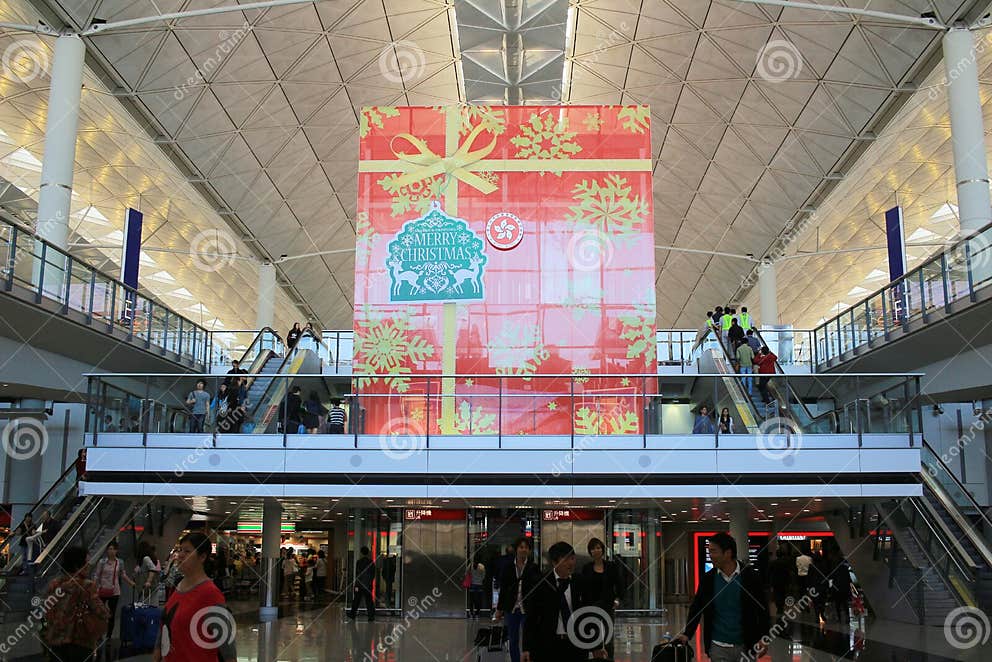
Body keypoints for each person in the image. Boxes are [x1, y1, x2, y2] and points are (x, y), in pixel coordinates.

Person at [675, 532, 769, 662]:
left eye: (714, 551)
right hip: (718, 646)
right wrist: (687, 634)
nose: (710, 556)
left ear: (728, 553)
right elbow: (697, 607)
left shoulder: (749, 577)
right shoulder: (709, 579)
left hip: (746, 645)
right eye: (709, 551)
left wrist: (764, 638)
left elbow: (762, 609)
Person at [154, 532, 237, 662]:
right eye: (180, 550)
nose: (180, 555)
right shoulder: (177, 587)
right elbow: (163, 630)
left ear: (202, 557)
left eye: (187, 551)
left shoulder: (210, 593)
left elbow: (227, 647)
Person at [521, 541, 596, 662]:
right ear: (554, 562)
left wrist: (595, 646)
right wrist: (526, 648)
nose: (571, 563)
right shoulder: (541, 583)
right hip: (548, 645)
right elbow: (531, 617)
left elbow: (588, 614)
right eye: (566, 559)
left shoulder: (580, 582)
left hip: (576, 644)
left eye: (572, 558)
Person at [43, 545, 109, 662]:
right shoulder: (87, 585)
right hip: (80, 642)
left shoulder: (54, 584)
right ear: (77, 565)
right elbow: (101, 612)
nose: (88, 565)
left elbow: (47, 612)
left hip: (56, 642)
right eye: (86, 562)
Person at [495, 537, 540, 662]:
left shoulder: (533, 567)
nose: (523, 549)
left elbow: (537, 590)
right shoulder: (508, 567)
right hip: (512, 608)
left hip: (527, 608)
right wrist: (499, 610)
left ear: (529, 550)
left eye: (526, 547)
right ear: (516, 549)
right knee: (513, 638)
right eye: (521, 547)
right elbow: (503, 590)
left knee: (529, 638)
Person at [580, 537, 624, 659]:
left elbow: (619, 584)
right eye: (593, 548)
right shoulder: (586, 568)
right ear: (590, 551)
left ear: (603, 550)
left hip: (608, 605)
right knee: (595, 637)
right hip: (591, 606)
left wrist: (617, 599)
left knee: (609, 638)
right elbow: (583, 588)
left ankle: (609, 659)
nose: (596, 550)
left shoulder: (611, 566)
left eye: (598, 547)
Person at [93, 540, 135, 640]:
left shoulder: (119, 562)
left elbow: (122, 574)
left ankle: (109, 636)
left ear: (116, 550)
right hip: (102, 589)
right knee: (100, 613)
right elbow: (96, 575)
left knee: (112, 614)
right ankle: (99, 634)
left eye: (113, 549)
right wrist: (94, 588)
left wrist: (131, 582)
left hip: (114, 591)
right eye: (109, 549)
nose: (111, 551)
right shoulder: (102, 562)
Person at [348, 546, 375, 621]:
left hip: (360, 585)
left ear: (361, 553)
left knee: (356, 600)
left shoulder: (359, 562)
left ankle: (352, 614)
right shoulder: (371, 562)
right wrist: (370, 582)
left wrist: (356, 585)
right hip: (368, 585)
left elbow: (358, 574)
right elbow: (373, 574)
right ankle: (371, 616)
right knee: (369, 601)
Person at [769, 547, 793, 616]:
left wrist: (769, 582)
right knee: (782, 593)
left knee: (776, 594)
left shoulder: (773, 563)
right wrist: (789, 582)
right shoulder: (785, 563)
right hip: (783, 581)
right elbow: (788, 572)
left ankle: (778, 606)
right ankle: (781, 606)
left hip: (775, 581)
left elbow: (769, 572)